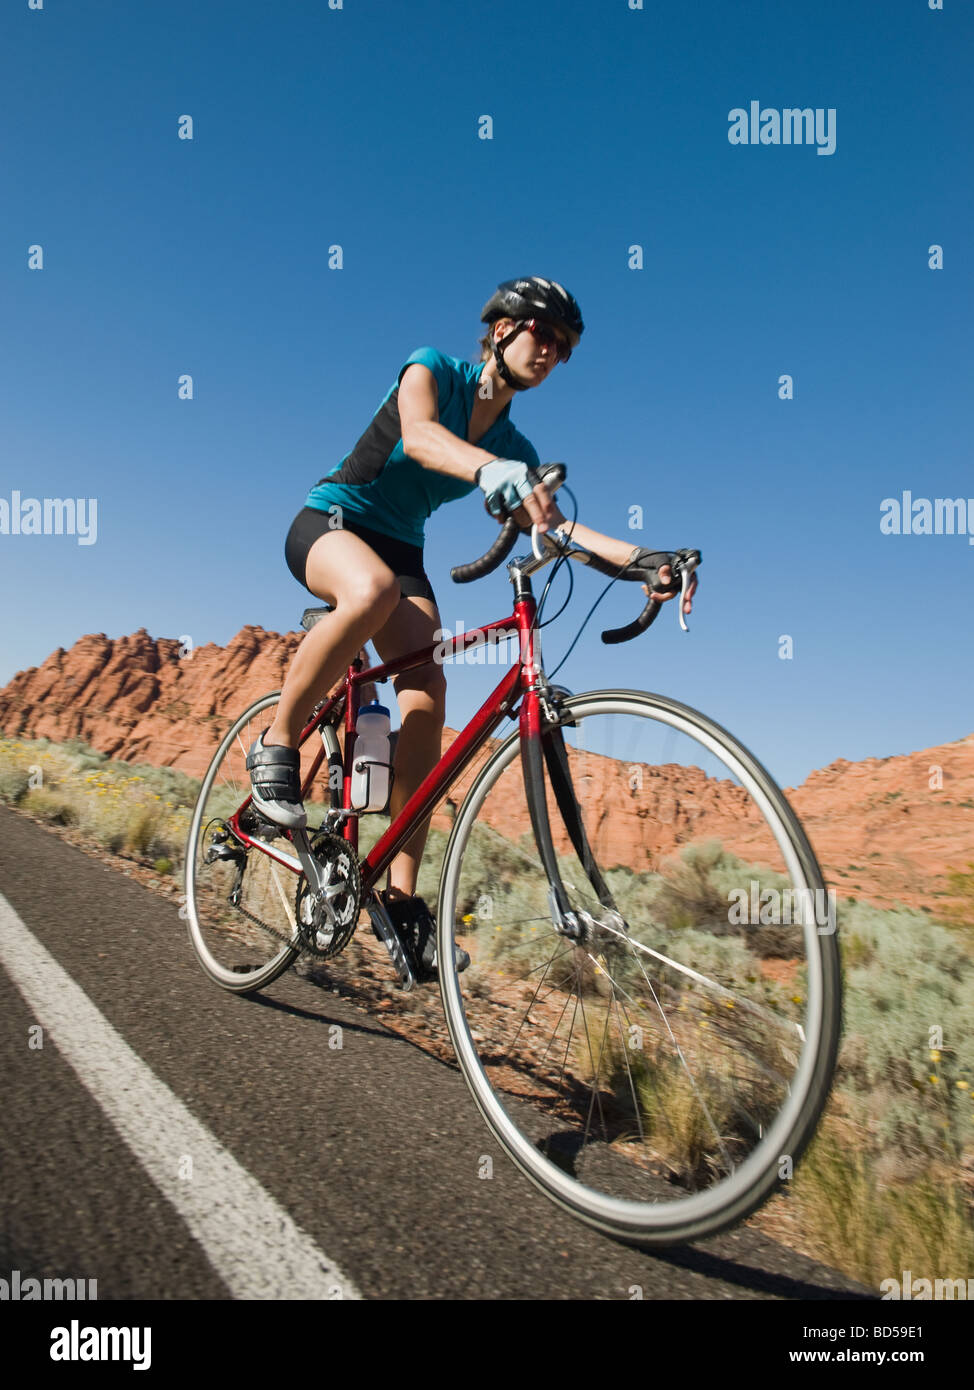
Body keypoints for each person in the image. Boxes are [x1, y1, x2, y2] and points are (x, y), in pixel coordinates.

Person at [246, 276, 696, 979]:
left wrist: (643, 560)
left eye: (564, 347)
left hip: (402, 552)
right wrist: (493, 471)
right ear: (501, 328)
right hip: (333, 522)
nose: (550, 352)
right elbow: (422, 436)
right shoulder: (433, 368)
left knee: (428, 687)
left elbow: (555, 526)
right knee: (367, 590)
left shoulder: (515, 440)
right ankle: (276, 740)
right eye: (541, 334)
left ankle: (400, 900)